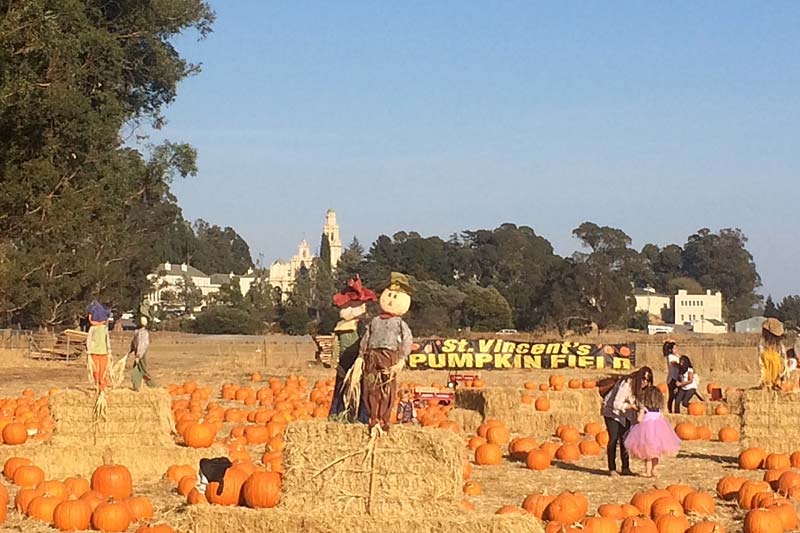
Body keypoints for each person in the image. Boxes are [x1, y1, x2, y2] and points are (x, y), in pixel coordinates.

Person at [359, 272, 414, 433]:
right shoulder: (375, 321)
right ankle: (373, 416)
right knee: (371, 386)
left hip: (389, 357)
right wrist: (360, 356)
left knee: (386, 387)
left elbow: (407, 339)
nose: (390, 299)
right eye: (389, 295)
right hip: (371, 357)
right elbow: (366, 338)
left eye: (395, 297)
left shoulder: (399, 322)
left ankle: (383, 418)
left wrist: (403, 358)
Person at [328, 275, 376, 423]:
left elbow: (368, 343)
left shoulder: (362, 326)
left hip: (360, 362)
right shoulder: (341, 327)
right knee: (342, 388)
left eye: (351, 306)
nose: (347, 310)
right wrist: (335, 361)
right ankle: (339, 415)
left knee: (362, 390)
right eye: (345, 307)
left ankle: (362, 417)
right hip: (344, 362)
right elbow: (336, 345)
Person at [601, 366, 653, 477]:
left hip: (626, 414)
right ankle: (612, 468)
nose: (645, 382)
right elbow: (616, 403)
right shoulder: (627, 384)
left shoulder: (642, 390)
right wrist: (631, 406)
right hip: (612, 412)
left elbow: (640, 404)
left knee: (626, 439)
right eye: (643, 378)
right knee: (614, 438)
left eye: (648, 380)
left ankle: (625, 467)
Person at [624, 386, 681, 478]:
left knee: (648, 455)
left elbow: (639, 419)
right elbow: (662, 418)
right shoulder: (659, 410)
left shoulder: (644, 409)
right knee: (656, 454)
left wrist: (638, 415)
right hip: (657, 434)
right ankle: (655, 470)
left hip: (646, 433)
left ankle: (648, 471)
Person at [86, 300, 112, 391]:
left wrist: (109, 349)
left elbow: (106, 339)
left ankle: (102, 386)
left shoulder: (103, 328)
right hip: (95, 352)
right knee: (96, 371)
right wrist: (89, 350)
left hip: (103, 352)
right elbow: (89, 340)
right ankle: (98, 385)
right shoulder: (94, 329)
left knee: (102, 371)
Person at [130, 316, 156, 391]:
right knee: (140, 369)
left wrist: (138, 355)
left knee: (140, 369)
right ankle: (140, 385)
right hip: (138, 353)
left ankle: (150, 385)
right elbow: (134, 342)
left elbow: (142, 345)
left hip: (141, 353)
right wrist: (131, 350)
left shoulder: (143, 333)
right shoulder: (138, 332)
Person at [760, 318, 786, 390]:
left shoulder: (778, 343)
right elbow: (761, 349)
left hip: (775, 361)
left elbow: (782, 352)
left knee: (776, 363)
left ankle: (775, 383)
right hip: (767, 360)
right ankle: (768, 383)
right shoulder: (763, 341)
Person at [663, 340, 681, 413]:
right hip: (672, 379)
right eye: (674, 348)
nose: (676, 350)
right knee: (672, 396)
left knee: (678, 396)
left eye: (676, 348)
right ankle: (670, 410)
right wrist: (681, 365)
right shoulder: (670, 357)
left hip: (678, 378)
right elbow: (674, 364)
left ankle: (677, 410)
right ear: (670, 350)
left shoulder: (677, 356)